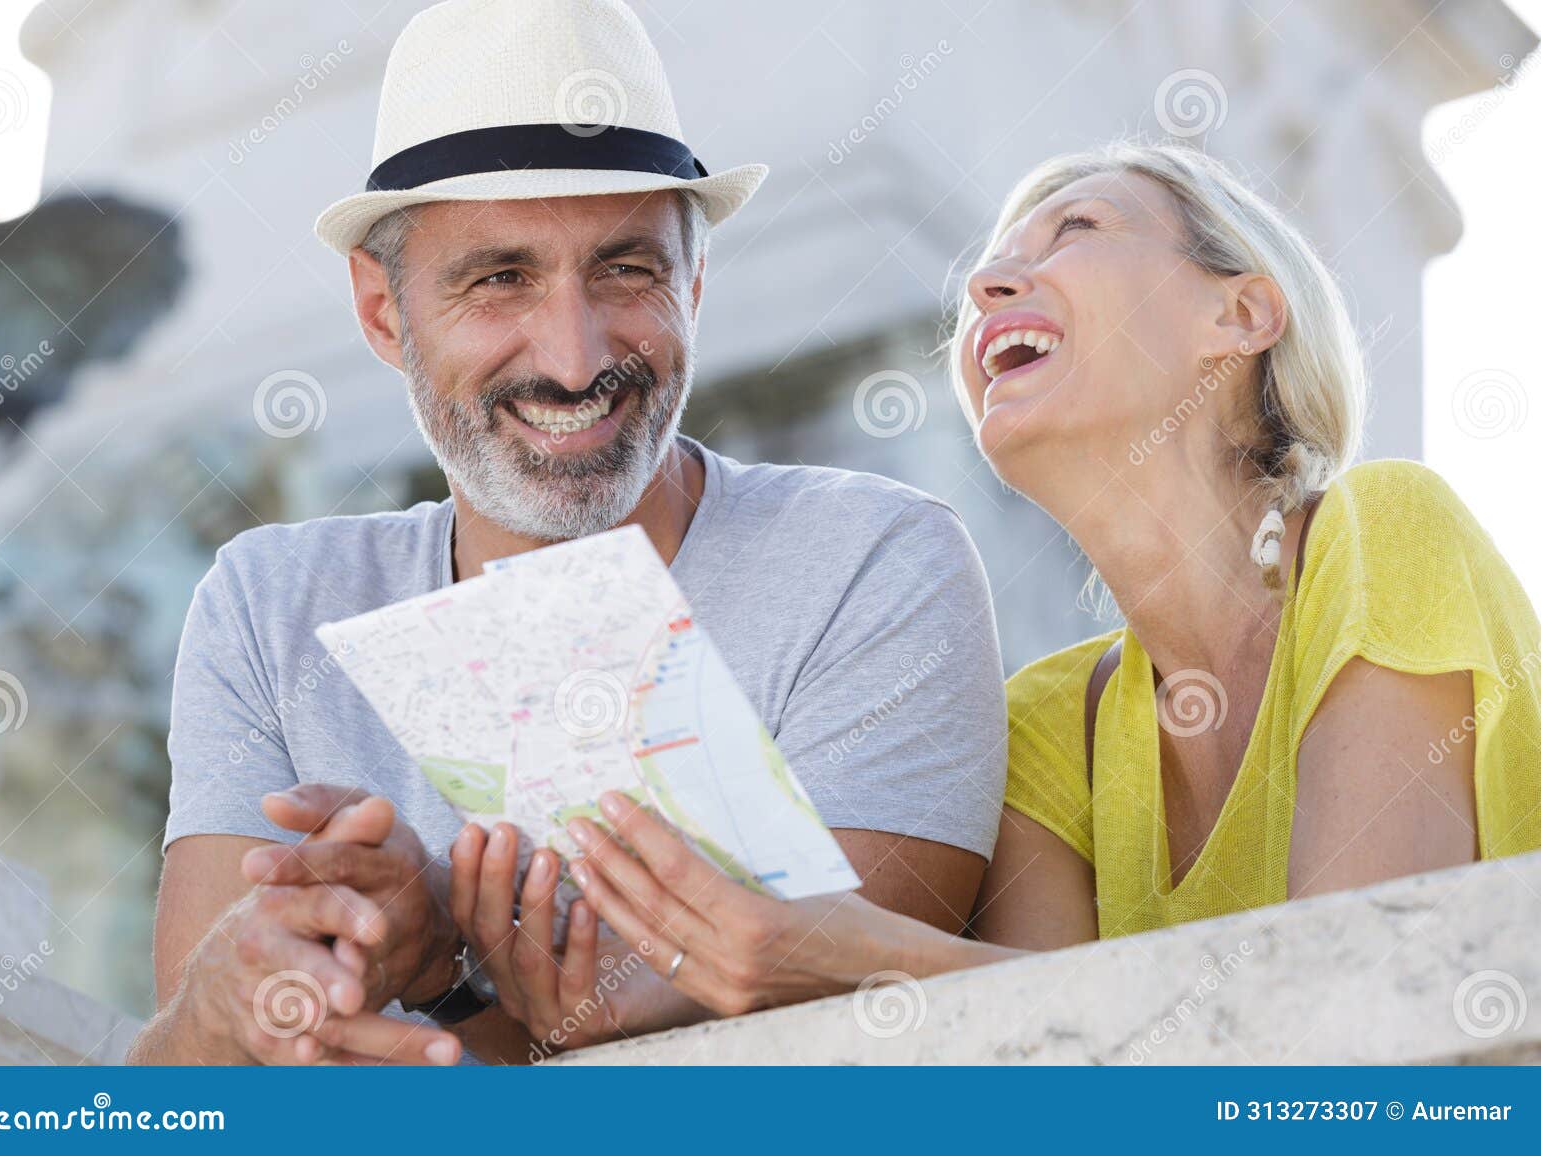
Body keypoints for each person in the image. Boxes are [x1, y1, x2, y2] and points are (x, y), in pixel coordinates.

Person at [478, 140, 1541, 1031]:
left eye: (1075, 231)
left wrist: (858, 953)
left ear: (1243, 313)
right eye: (990, 265)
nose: (986, 284)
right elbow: (1054, 1068)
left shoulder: (1385, 530)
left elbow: (1350, 1022)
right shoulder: (1048, 727)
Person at [128, 0, 1008, 1066]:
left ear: (694, 280)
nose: (576, 356)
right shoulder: (270, 602)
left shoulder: (869, 562)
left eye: (626, 268)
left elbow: (856, 1043)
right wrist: (364, 974)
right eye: (499, 278)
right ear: (382, 313)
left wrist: (450, 968)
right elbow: (193, 1090)